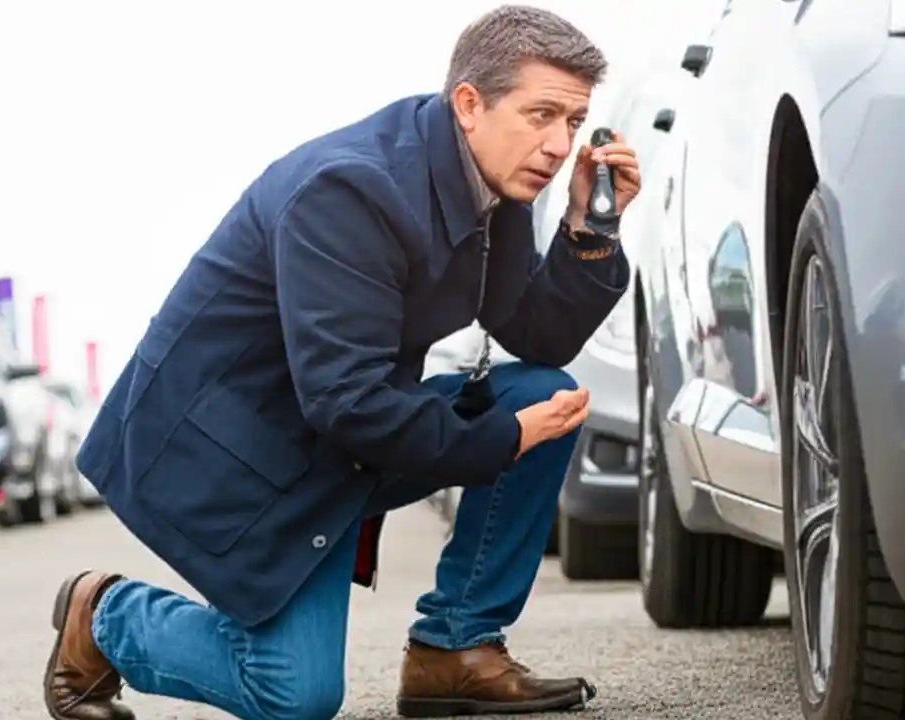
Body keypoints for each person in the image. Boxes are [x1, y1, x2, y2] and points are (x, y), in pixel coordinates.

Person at [41, 5, 641, 719]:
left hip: (335, 434)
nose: (557, 144)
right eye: (541, 114)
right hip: (240, 459)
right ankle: (102, 617)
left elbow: (537, 338)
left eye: (572, 123)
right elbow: (345, 403)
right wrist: (502, 441)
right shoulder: (350, 191)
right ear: (470, 104)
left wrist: (590, 229)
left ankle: (455, 650)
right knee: (293, 695)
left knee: (545, 395)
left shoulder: (495, 186)